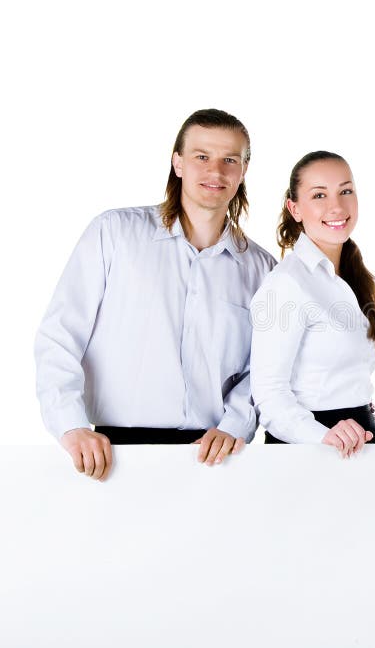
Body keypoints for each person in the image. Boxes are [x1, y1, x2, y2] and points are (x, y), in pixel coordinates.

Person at [35, 109, 276, 480]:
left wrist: (236, 425)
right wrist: (71, 425)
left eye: (230, 159)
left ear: (243, 170)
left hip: (214, 459)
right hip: (114, 457)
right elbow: (60, 336)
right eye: (201, 157)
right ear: (177, 163)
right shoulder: (114, 233)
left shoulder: (261, 268)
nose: (215, 171)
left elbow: (263, 367)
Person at [250, 151, 375, 457]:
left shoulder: (353, 277)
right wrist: (322, 435)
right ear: (295, 208)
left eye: (345, 191)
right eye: (319, 195)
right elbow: (269, 396)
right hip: (311, 449)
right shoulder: (287, 284)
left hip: (362, 437)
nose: (336, 206)